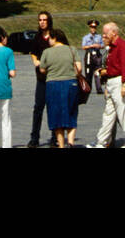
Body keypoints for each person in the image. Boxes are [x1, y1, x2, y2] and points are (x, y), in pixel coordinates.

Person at [89, 22, 125, 148]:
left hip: (120, 82)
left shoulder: (123, 46)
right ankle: (101, 142)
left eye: (106, 33)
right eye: (103, 34)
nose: (103, 36)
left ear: (114, 33)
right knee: (108, 115)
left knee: (123, 113)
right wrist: (107, 85)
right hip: (112, 82)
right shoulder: (111, 47)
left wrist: (124, 84)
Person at [39, 27, 83, 148]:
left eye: (49, 38)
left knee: (56, 115)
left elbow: (42, 69)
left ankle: (61, 144)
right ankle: (71, 142)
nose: (48, 41)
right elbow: (79, 68)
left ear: (54, 38)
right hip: (71, 83)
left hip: (53, 84)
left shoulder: (47, 52)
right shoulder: (72, 49)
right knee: (71, 113)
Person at [28, 11, 53, 147]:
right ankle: (34, 137)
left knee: (53, 108)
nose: (42, 22)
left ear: (49, 21)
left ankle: (55, 137)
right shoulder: (37, 37)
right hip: (41, 78)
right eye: (40, 20)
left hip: (55, 77)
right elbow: (33, 53)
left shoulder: (55, 36)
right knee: (38, 108)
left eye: (44, 19)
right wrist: (35, 61)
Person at [82, 20, 105, 89]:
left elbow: (103, 45)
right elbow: (83, 47)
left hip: (97, 54)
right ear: (90, 28)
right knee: (88, 72)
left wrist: (99, 46)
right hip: (89, 54)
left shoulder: (99, 36)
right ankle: (89, 87)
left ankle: (99, 88)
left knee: (98, 71)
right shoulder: (86, 37)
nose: (93, 29)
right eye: (92, 27)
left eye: (94, 27)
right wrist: (91, 46)